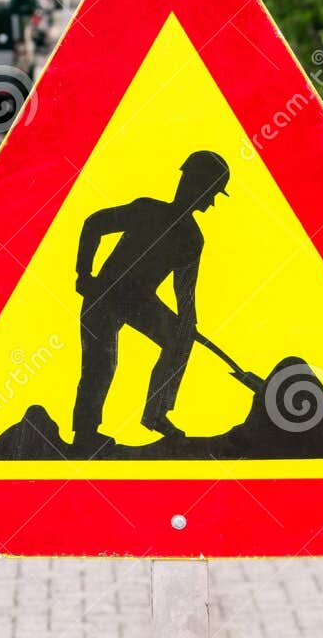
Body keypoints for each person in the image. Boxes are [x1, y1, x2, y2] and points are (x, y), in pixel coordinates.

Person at [71, 151, 231, 449]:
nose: (210, 203)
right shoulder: (147, 210)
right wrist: (84, 274)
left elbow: (184, 290)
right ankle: (85, 435)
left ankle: (156, 414)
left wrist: (188, 324)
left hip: (138, 302)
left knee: (178, 340)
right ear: (196, 186)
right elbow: (94, 223)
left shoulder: (192, 239)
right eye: (211, 194)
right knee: (101, 364)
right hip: (104, 295)